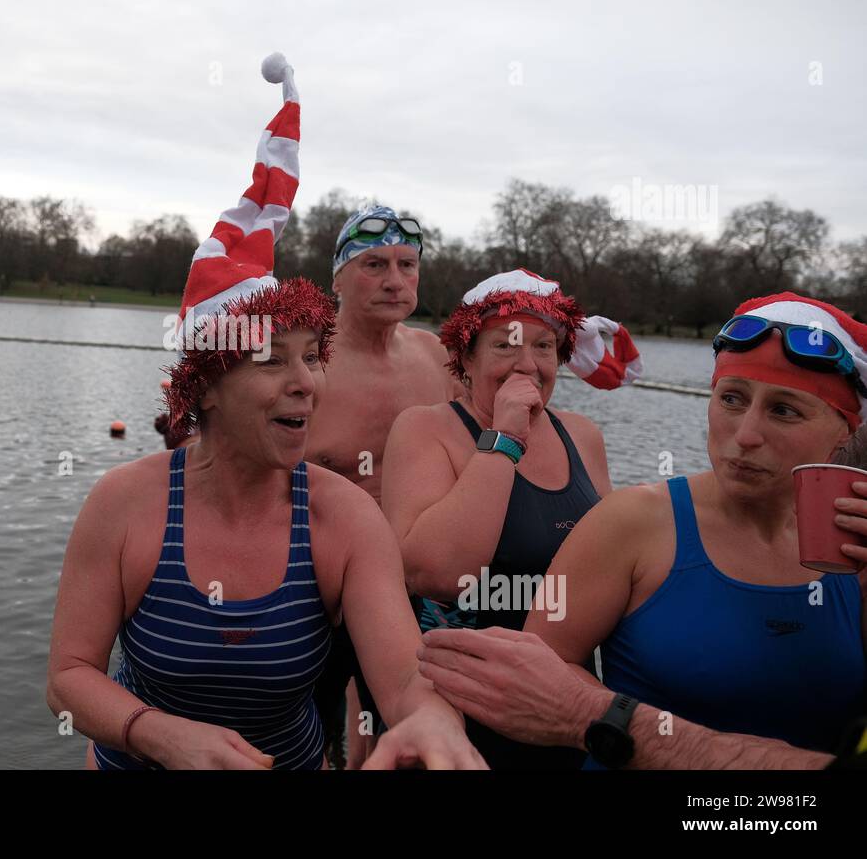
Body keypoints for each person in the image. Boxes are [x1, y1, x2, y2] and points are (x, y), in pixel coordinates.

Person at [45, 55, 483, 770]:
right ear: (206, 387)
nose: (308, 382)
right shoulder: (124, 503)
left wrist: (431, 720)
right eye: (272, 359)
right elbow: (68, 677)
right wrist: (156, 732)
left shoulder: (344, 518)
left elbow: (403, 676)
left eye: (312, 356)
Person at [516, 291, 867, 764]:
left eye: (784, 410)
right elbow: (528, 675)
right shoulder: (631, 522)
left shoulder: (853, 546)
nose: (745, 434)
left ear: (845, 432)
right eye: (731, 399)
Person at [382, 269, 627, 768]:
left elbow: (614, 572)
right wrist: (506, 437)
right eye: (505, 345)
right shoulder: (425, 429)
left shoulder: (583, 436)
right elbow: (437, 573)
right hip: (452, 708)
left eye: (543, 347)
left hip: (563, 709)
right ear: (466, 358)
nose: (527, 365)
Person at [306, 205, 464, 766]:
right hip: (314, 584)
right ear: (338, 277)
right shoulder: (304, 359)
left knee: (402, 735)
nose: (395, 280)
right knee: (307, 740)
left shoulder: (437, 356)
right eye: (374, 263)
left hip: (410, 585)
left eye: (407, 264)